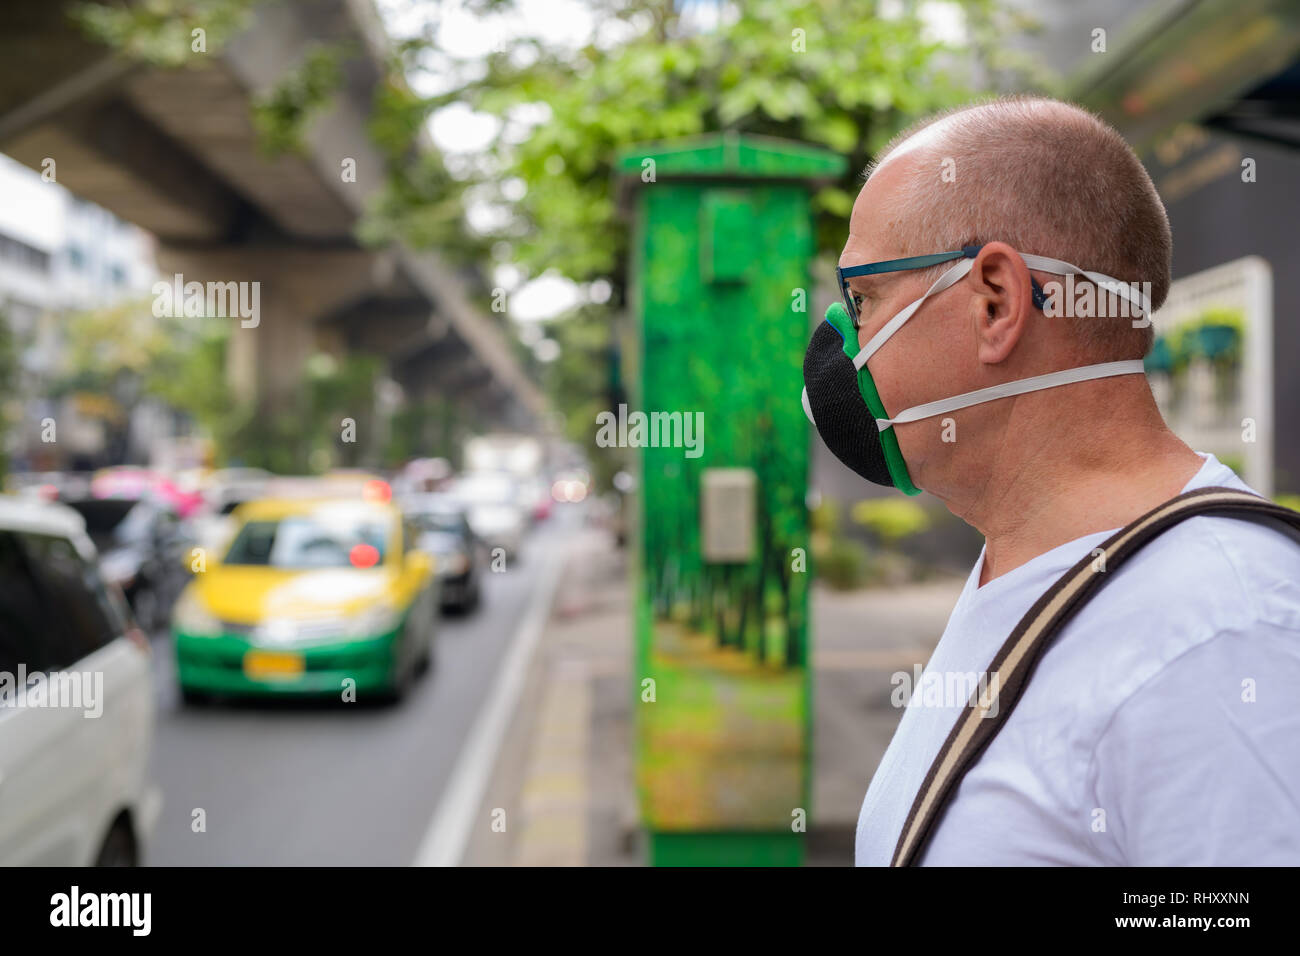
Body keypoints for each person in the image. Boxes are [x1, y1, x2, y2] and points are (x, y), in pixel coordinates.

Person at [802, 96, 1300, 865]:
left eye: (862, 300)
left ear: (995, 301)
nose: (841, 345)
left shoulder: (1224, 633)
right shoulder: (1031, 557)